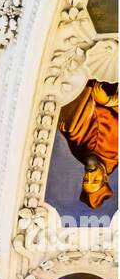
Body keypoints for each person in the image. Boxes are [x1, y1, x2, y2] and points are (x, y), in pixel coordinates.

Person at [57, 80, 118, 209]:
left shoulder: (79, 151)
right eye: (95, 180)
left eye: (85, 180)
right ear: (105, 178)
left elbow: (72, 126)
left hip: (89, 81)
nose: (89, 174)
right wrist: (110, 101)